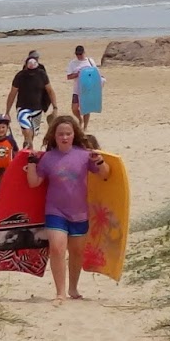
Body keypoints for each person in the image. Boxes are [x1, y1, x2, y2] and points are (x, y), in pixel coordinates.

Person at [24, 115, 109, 301]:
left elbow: (105, 174)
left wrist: (100, 160)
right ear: (54, 136)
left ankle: (73, 288)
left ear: (74, 134)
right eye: (60, 134)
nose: (64, 137)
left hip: (79, 212)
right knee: (56, 248)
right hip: (55, 211)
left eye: (68, 134)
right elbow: (33, 183)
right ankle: (60, 292)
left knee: (77, 252)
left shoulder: (84, 155)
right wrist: (31, 162)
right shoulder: (47, 158)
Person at [7, 51, 56, 129]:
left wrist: (53, 106)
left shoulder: (42, 72)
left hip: (38, 105)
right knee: (26, 128)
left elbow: (49, 90)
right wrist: (7, 111)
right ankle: (27, 140)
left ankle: (29, 140)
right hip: (23, 106)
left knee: (33, 130)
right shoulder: (20, 75)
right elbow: (12, 93)